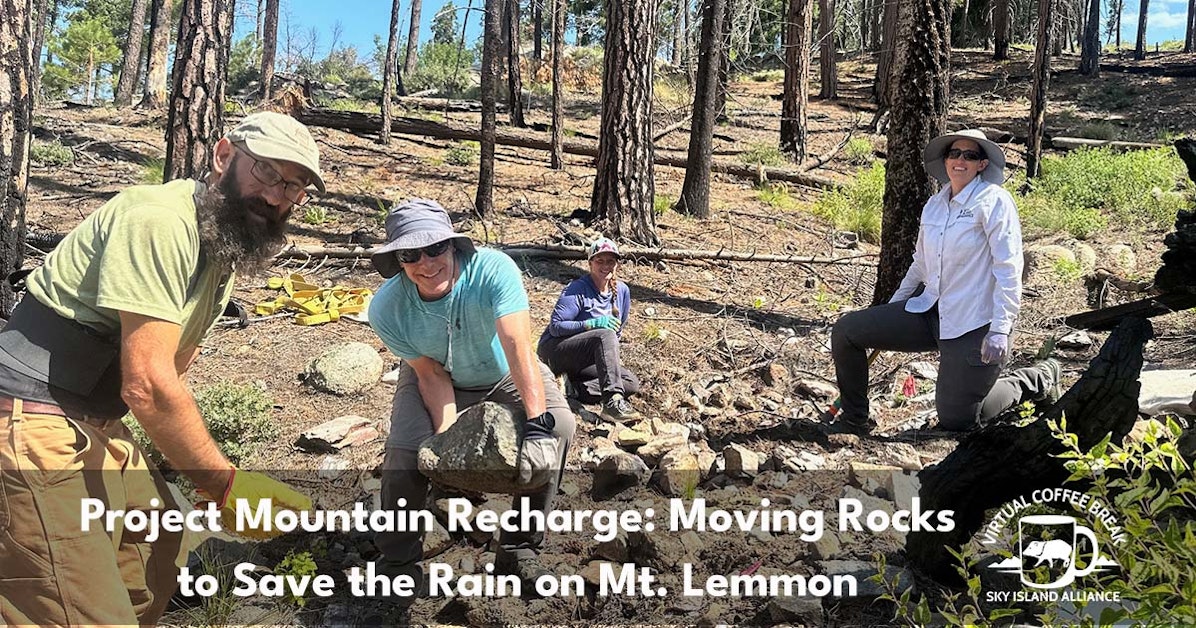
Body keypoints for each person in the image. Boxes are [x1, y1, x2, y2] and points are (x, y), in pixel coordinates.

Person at [0, 112, 317, 625]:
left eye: (294, 186)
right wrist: (224, 484)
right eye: (267, 171)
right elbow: (147, 384)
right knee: (82, 608)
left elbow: (171, 370)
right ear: (223, 156)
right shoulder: (160, 220)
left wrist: (203, 480)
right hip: (29, 417)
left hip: (98, 422)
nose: (277, 195)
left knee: (151, 560)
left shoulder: (219, 250)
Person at [367, 199, 576, 621]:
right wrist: (449, 444)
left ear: (452, 245)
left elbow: (517, 346)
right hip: (437, 373)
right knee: (405, 456)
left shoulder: (493, 269)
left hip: (504, 369)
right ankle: (398, 565)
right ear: (397, 260)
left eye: (435, 249)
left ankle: (519, 547)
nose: (426, 263)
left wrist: (537, 425)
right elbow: (430, 375)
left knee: (560, 428)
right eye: (411, 255)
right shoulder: (386, 308)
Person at [830, 129, 1061, 434]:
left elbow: (1009, 268)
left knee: (958, 420)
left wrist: (1000, 329)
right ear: (946, 160)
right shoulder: (935, 204)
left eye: (970, 155)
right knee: (847, 331)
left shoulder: (994, 201)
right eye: (954, 153)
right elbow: (920, 263)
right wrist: (894, 306)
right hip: (930, 312)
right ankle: (854, 418)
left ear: (982, 164)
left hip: (974, 322)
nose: (960, 160)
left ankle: (1037, 378)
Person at [537, 237, 642, 421]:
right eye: (600, 261)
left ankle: (575, 389)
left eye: (610, 261)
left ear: (617, 264)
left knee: (630, 383)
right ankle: (612, 402)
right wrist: (590, 324)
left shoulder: (622, 291)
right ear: (590, 263)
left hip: (586, 359)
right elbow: (556, 327)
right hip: (556, 351)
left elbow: (617, 332)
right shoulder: (577, 289)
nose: (605, 266)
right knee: (604, 335)